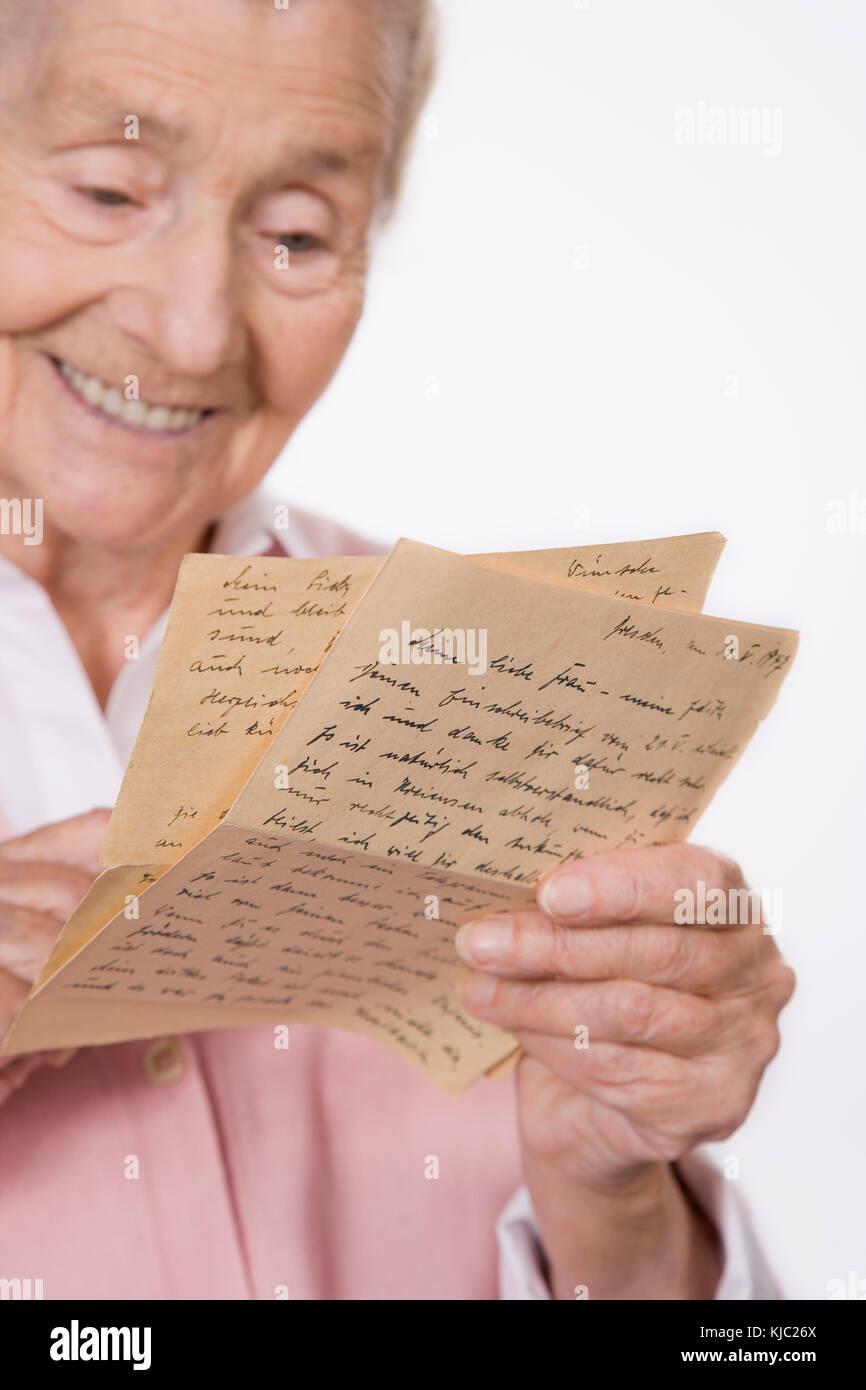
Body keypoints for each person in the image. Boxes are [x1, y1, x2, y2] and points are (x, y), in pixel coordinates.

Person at [0, 0, 793, 1300]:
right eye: (106, 191)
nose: (195, 330)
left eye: (297, 235)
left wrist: (613, 1197)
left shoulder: (493, 694)